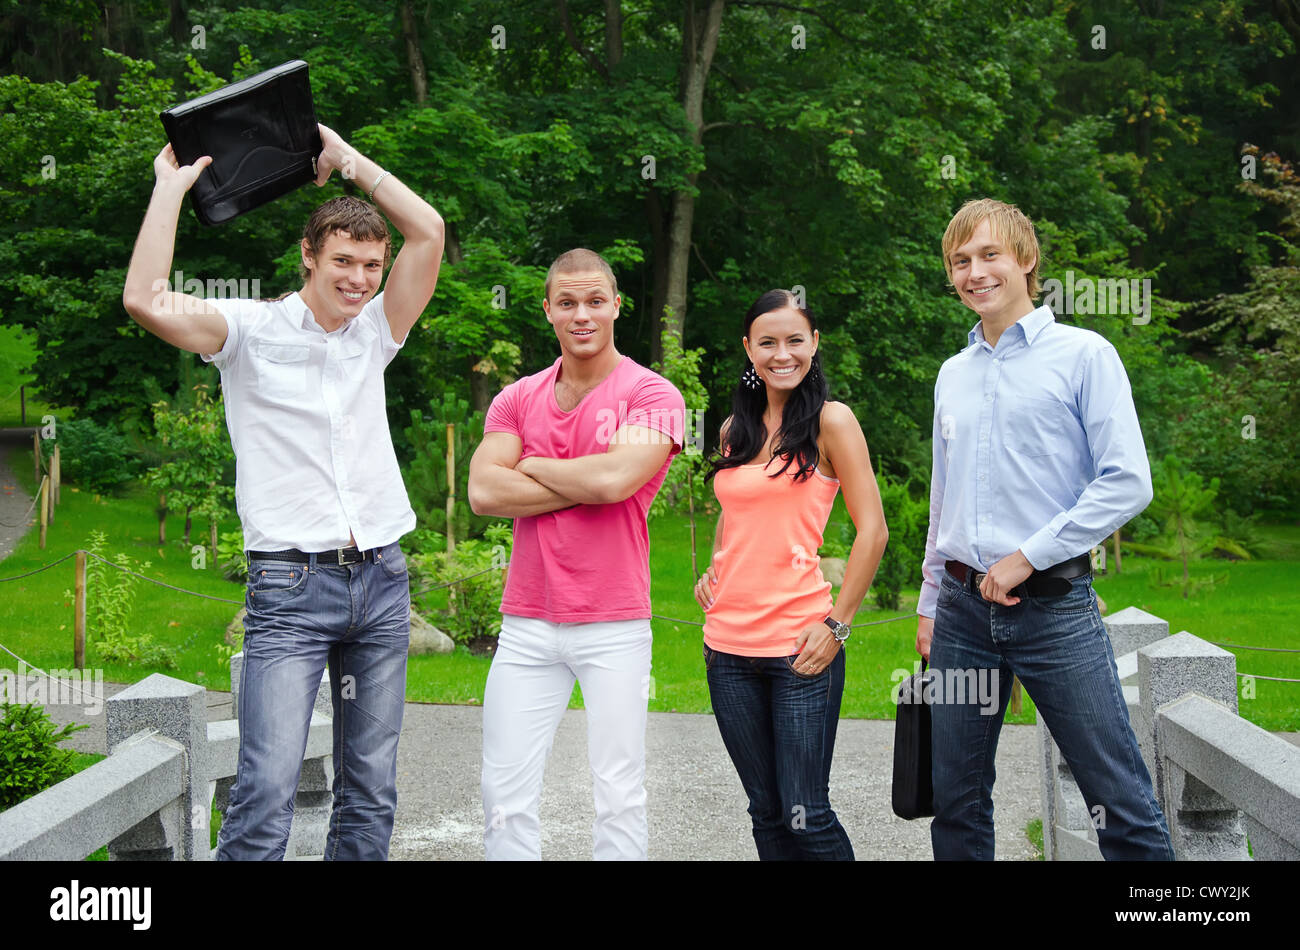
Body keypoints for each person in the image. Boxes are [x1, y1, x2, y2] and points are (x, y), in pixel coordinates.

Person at [122, 124, 445, 860]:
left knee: (370, 790)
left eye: (372, 264)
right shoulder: (246, 329)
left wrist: (349, 164)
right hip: (290, 589)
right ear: (308, 255)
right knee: (264, 791)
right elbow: (144, 298)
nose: (360, 278)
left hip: (382, 581)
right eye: (344, 261)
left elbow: (428, 229)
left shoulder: (379, 332)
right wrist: (169, 191)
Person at [915, 197, 1174, 860]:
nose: (975, 272)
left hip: (1053, 611)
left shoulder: (1084, 356)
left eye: (989, 255)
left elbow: (1126, 481)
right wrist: (929, 604)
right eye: (961, 261)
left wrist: (1027, 557)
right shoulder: (952, 374)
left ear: (1026, 261)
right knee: (956, 800)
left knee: (1119, 801)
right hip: (962, 619)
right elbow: (943, 500)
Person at [467, 248, 686, 860]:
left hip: (614, 622)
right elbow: (484, 491)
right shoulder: (516, 397)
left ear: (617, 305)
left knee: (618, 792)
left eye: (595, 301)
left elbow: (615, 483)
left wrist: (532, 466)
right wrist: (578, 480)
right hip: (527, 622)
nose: (581, 314)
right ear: (547, 311)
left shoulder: (652, 392)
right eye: (567, 302)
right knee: (503, 792)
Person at [693, 289, 888, 860]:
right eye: (768, 342)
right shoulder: (737, 427)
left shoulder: (832, 422)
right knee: (767, 813)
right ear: (748, 349)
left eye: (794, 340)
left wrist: (838, 624)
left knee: (807, 815)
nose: (783, 354)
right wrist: (715, 566)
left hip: (801, 648)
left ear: (814, 344)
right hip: (726, 649)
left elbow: (872, 531)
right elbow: (736, 513)